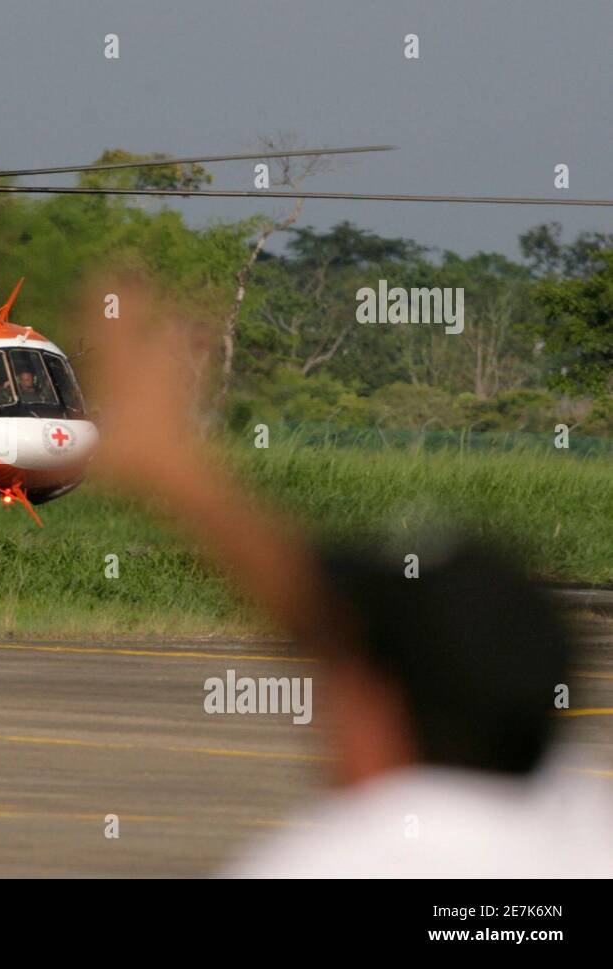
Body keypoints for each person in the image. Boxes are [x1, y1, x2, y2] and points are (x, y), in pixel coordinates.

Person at [85, 277, 613, 877]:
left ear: (376, 705)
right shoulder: (583, 825)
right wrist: (183, 477)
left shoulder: (352, 859)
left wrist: (170, 470)